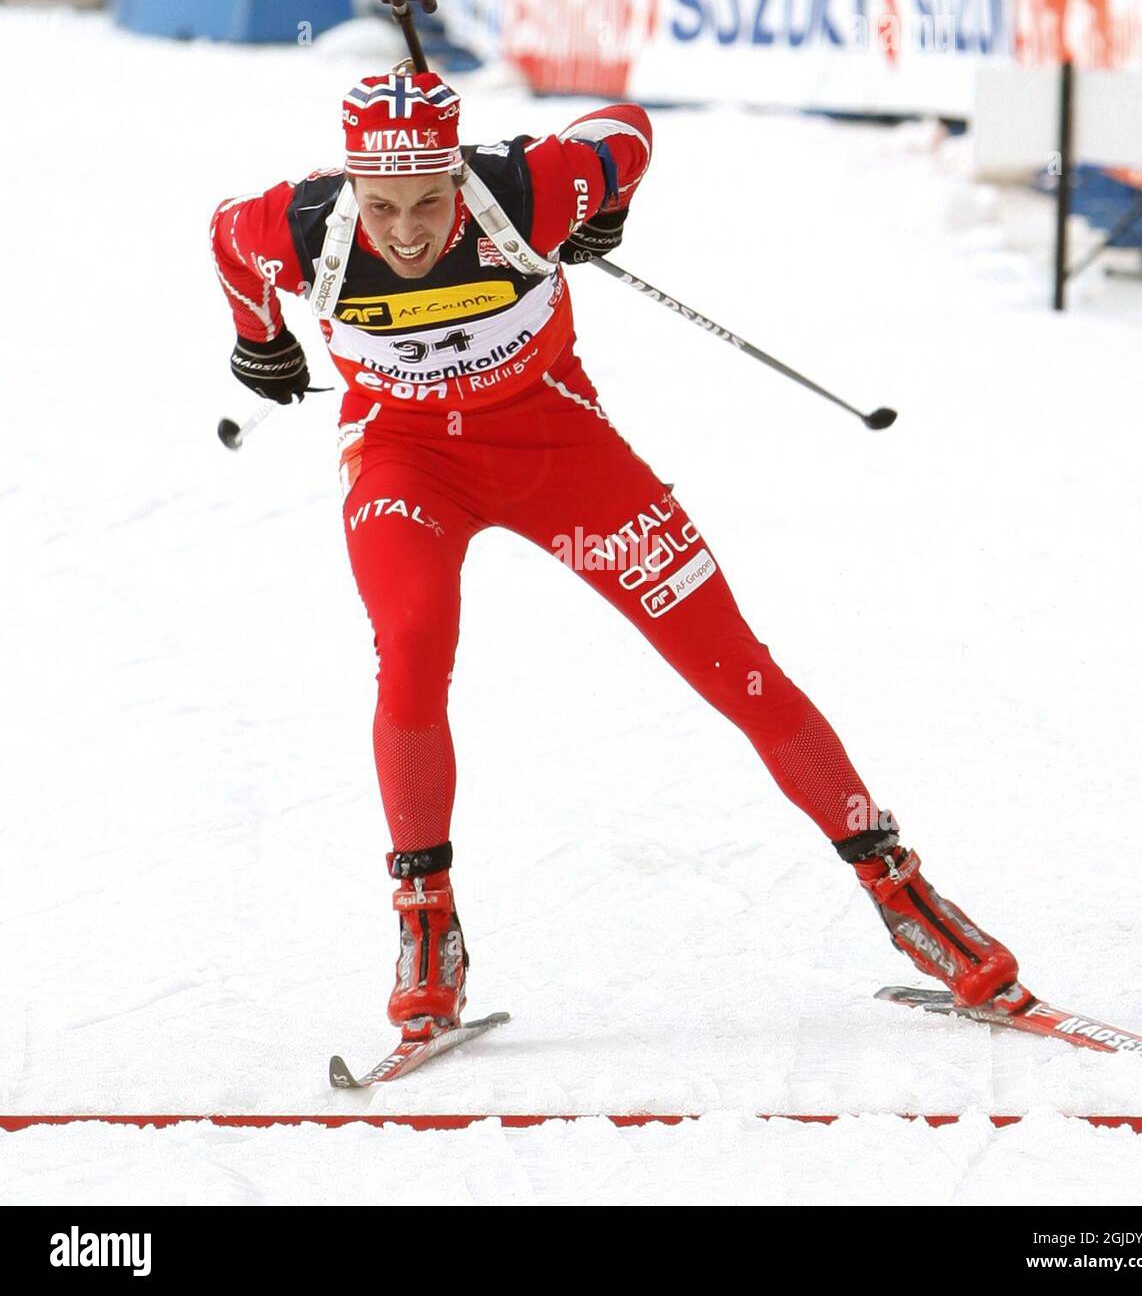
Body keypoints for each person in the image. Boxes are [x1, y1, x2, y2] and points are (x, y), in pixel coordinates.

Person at [210, 65, 1031, 1044]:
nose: (405, 229)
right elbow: (224, 237)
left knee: (734, 666)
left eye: (427, 198)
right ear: (349, 184)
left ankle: (900, 890)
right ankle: (427, 922)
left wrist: (612, 209)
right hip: (405, 454)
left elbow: (626, 127)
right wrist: (258, 342)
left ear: (455, 172)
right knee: (413, 642)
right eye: (379, 203)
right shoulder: (300, 227)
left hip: (554, 450)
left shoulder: (524, 188)